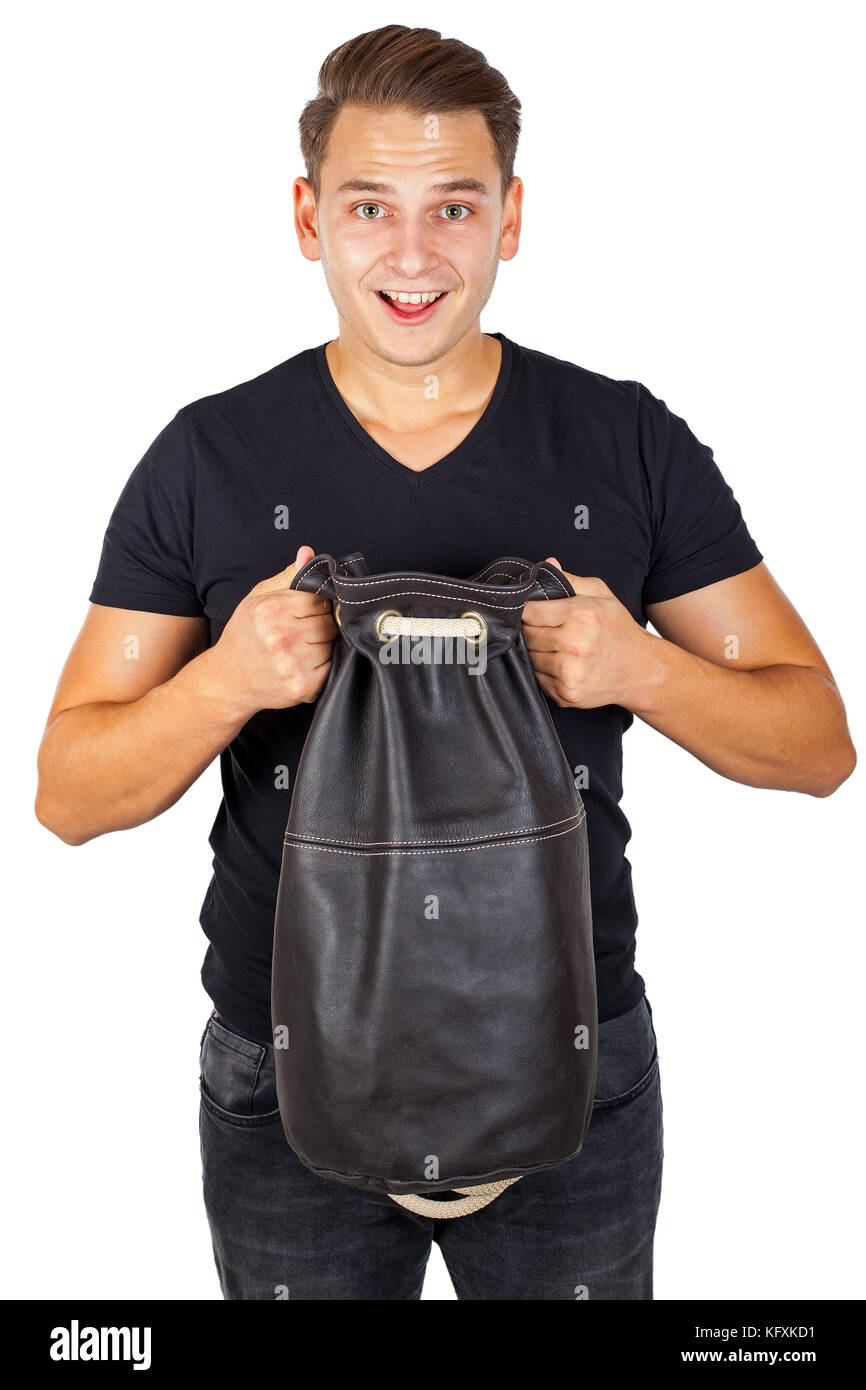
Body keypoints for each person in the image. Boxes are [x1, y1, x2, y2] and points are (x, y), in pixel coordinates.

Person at [35, 24, 855, 1301]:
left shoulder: (624, 441)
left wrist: (641, 670)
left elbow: (817, 746)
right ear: (307, 218)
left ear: (511, 218)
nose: (411, 255)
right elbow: (68, 796)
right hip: (279, 1056)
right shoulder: (206, 457)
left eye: (453, 207)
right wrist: (225, 681)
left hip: (570, 1049)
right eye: (369, 206)